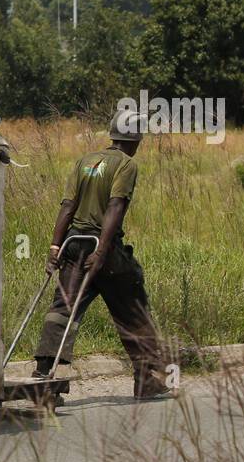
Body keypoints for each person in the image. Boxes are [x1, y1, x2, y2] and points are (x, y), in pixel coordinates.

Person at [32, 109, 169, 399]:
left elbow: (67, 206)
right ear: (137, 138)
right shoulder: (126, 164)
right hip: (101, 247)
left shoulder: (86, 161)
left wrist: (55, 247)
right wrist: (103, 251)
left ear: (111, 133)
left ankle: (42, 378)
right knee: (132, 301)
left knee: (63, 309)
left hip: (74, 245)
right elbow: (116, 206)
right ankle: (146, 378)